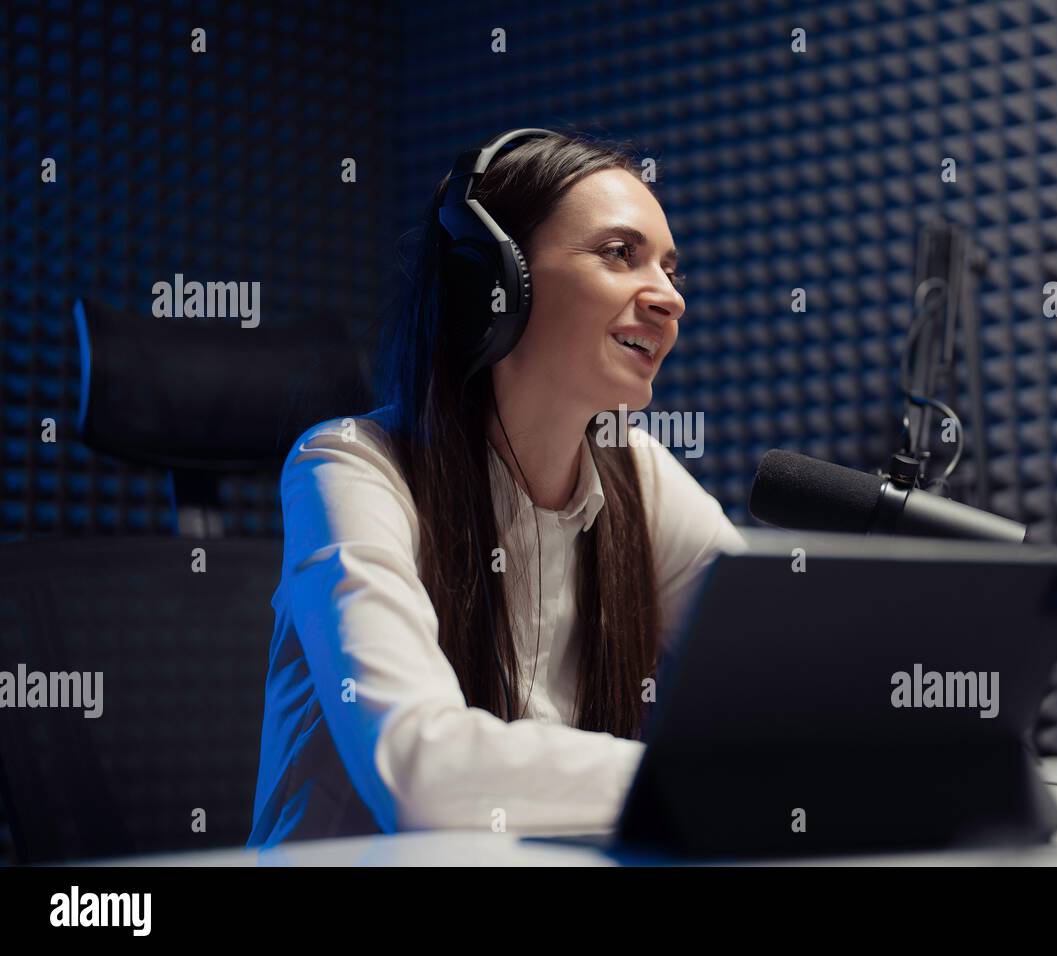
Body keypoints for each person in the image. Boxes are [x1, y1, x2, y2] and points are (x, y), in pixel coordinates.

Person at [248, 130, 746, 846]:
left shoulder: (640, 477)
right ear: (495, 282)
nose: (670, 298)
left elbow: (778, 683)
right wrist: (700, 777)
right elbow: (421, 772)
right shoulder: (348, 467)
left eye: (671, 270)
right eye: (620, 254)